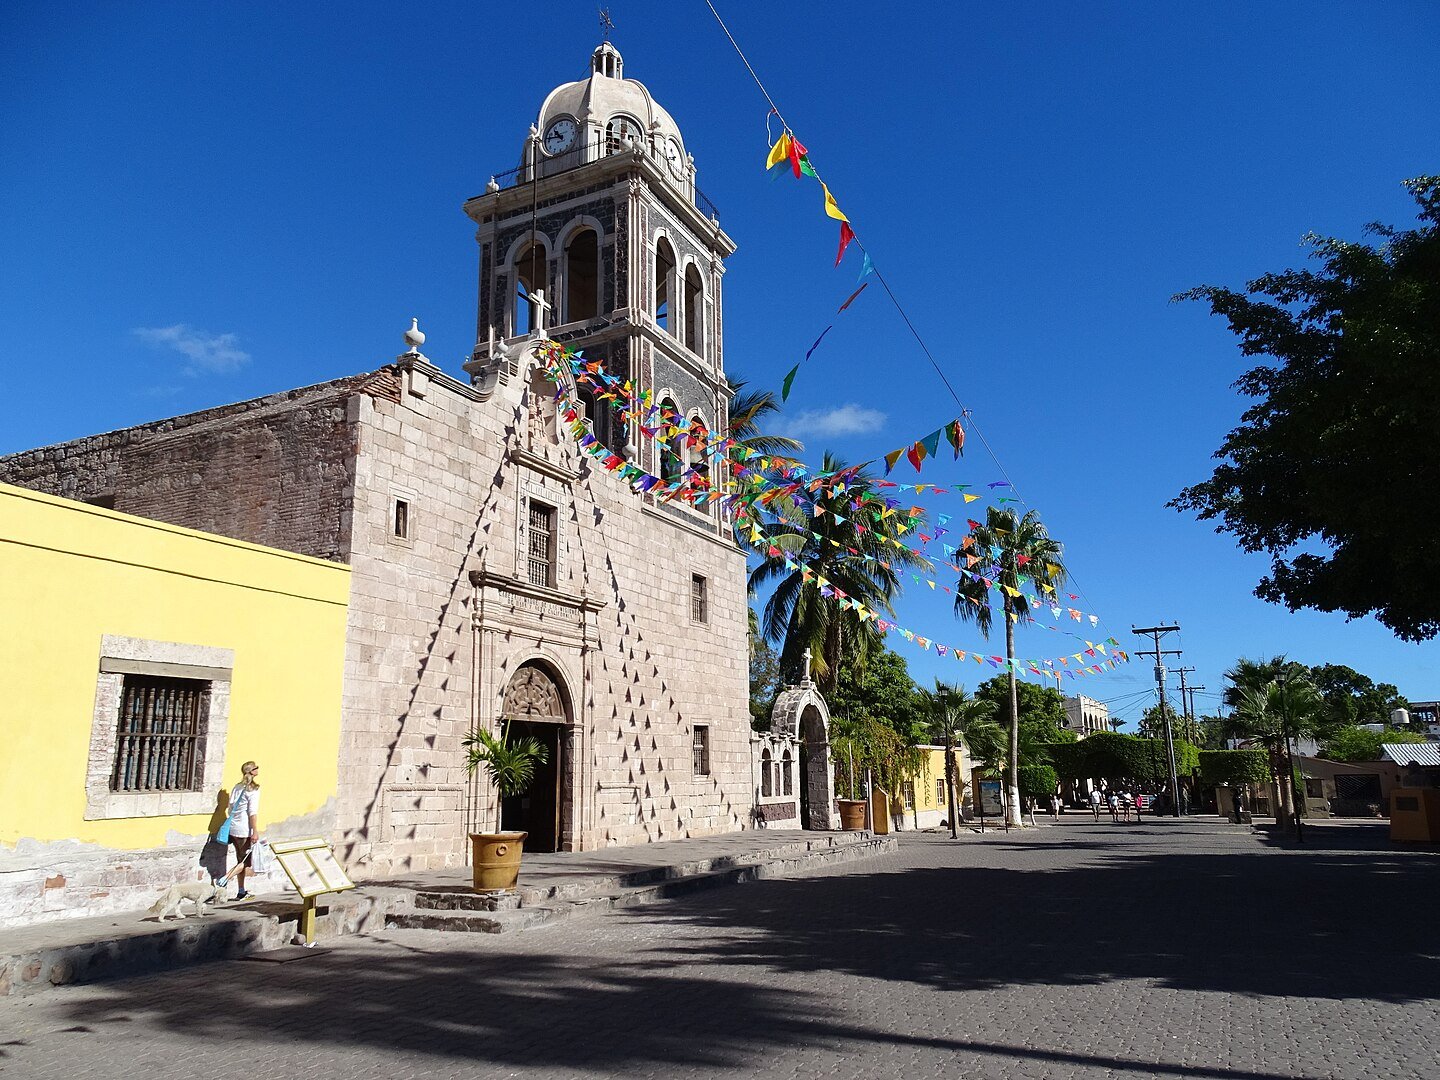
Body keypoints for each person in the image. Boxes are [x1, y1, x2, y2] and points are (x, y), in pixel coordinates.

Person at [226, 760, 262, 901]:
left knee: (240, 859)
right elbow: (252, 813)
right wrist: (255, 831)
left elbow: (230, 807)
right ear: (252, 771)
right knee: (245, 863)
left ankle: (241, 891)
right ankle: (223, 881)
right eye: (256, 767)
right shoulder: (253, 790)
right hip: (244, 830)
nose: (258, 769)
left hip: (234, 828)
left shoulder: (237, 787)